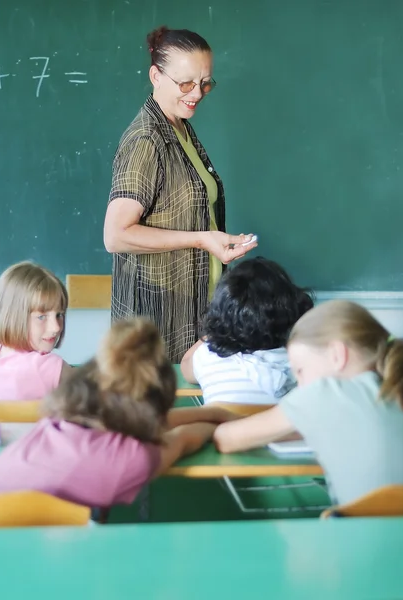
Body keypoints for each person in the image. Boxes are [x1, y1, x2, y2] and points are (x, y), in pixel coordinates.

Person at [104, 25, 257, 362]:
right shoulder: (146, 140)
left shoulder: (180, 128)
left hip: (193, 311)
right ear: (156, 76)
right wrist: (202, 239)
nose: (198, 93)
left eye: (205, 83)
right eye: (186, 83)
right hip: (158, 323)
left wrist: (214, 240)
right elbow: (116, 236)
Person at [0, 318, 237, 509]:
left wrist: (214, 412)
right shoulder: (129, 460)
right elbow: (183, 439)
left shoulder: (59, 424)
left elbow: (157, 425)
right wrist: (219, 422)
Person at [213, 300, 403, 505]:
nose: (300, 384)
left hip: (360, 533)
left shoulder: (324, 393)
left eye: (300, 371)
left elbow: (225, 439)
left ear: (337, 354)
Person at [181, 257, 314, 404]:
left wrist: (216, 331)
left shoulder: (207, 356)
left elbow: (186, 366)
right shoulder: (302, 361)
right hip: (282, 426)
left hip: (222, 426)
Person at [0, 261, 72, 400]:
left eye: (59, 315)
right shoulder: (49, 367)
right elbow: (96, 391)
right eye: (41, 317)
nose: (56, 327)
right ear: (14, 317)